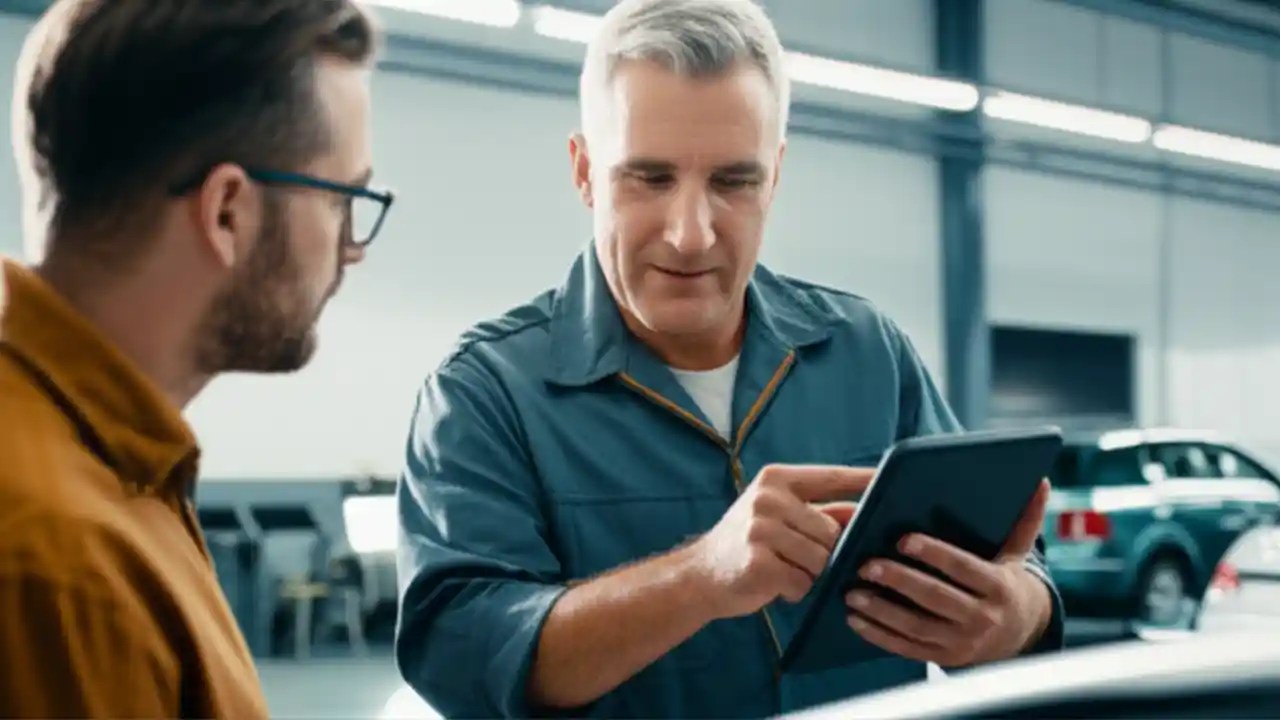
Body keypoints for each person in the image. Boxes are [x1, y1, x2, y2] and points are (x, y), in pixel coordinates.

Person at [395, 0, 1064, 717]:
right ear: (585, 171)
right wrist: (702, 576)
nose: (691, 234)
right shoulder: (484, 395)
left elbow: (1015, 574)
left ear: (774, 175)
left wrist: (1017, 614)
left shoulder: (871, 353)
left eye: (732, 181)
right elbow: (461, 657)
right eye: (649, 179)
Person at [0, 1, 391, 716]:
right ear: (227, 212)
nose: (353, 246)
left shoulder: (108, 470)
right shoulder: (61, 563)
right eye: (344, 199)